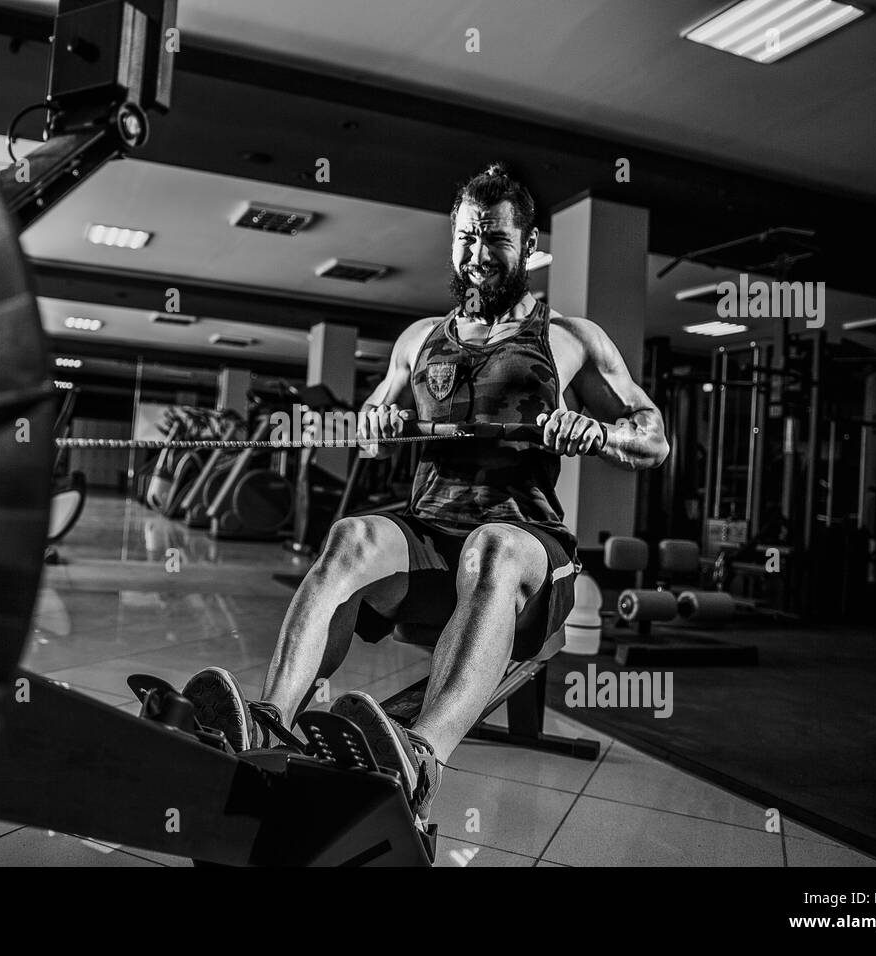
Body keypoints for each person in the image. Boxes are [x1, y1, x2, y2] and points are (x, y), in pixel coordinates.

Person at [183, 164, 670, 826]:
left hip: (526, 547)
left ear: (528, 246)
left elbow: (653, 438)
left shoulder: (570, 338)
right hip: (433, 541)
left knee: (491, 546)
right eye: (466, 238)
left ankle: (419, 758)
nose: (477, 255)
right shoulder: (418, 340)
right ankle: (269, 726)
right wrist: (376, 426)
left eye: (495, 239)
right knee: (352, 535)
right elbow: (368, 430)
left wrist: (599, 430)